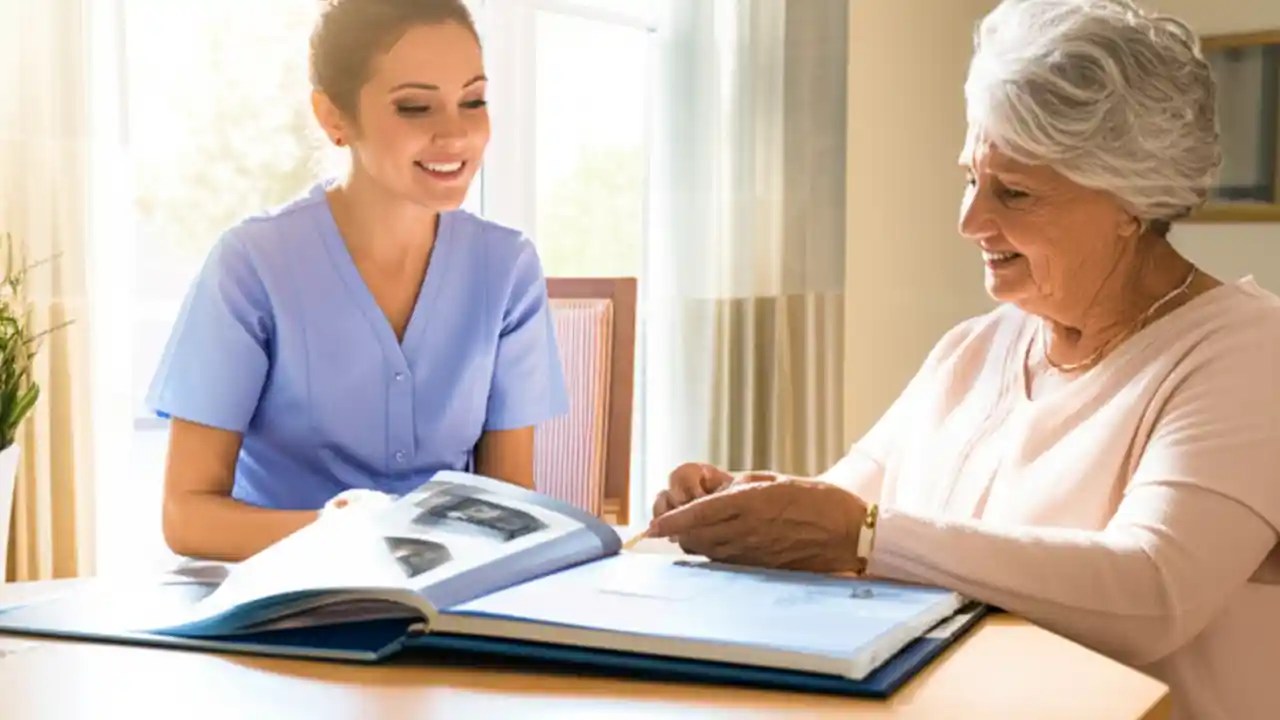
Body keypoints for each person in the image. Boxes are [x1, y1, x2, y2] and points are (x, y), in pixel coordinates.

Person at [648, 1, 1279, 718]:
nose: (970, 220)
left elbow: (1153, 590)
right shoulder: (975, 349)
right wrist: (745, 506)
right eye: (969, 179)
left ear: (1131, 202)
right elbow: (847, 506)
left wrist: (858, 534)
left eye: (1014, 192)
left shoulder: (1245, 352)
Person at [148, 0, 568, 562]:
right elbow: (187, 515)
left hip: (447, 610)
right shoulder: (252, 264)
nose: (456, 134)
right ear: (333, 117)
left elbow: (509, 504)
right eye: (415, 107)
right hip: (279, 603)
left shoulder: (507, 268)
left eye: (473, 100)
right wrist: (348, 537)